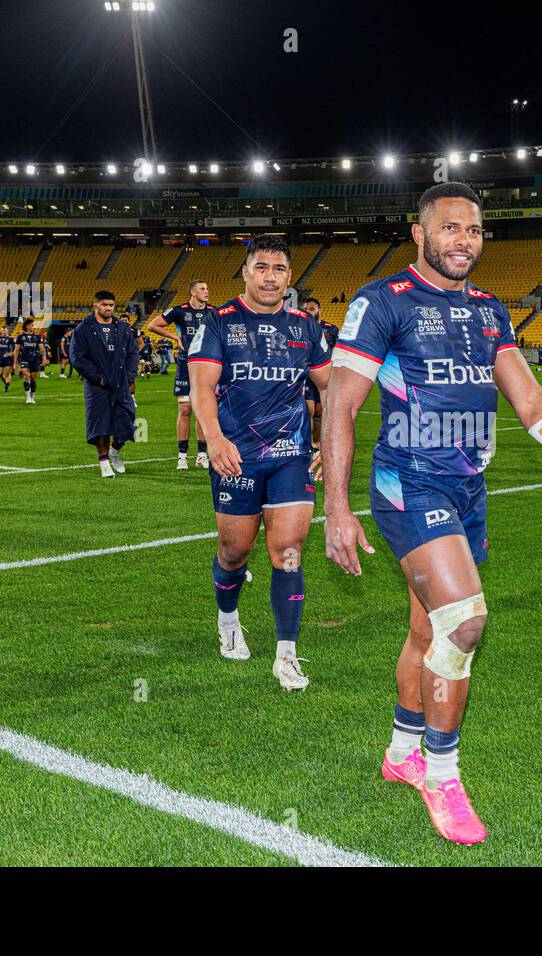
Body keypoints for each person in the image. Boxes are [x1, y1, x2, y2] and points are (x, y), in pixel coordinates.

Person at [322, 183, 542, 844]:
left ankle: (402, 752)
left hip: (466, 489)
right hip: (408, 482)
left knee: (427, 632)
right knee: (464, 623)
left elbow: (529, 395)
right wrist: (336, 508)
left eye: (475, 230)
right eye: (451, 228)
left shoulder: (490, 310)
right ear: (420, 233)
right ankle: (442, 773)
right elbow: (340, 403)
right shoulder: (382, 302)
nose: (464, 240)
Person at [188, 237, 331, 691]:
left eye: (279, 268)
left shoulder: (306, 326)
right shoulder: (218, 321)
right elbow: (201, 387)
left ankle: (286, 655)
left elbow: (332, 388)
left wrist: (329, 443)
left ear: (290, 278)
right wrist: (214, 439)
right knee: (235, 552)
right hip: (236, 457)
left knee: (288, 551)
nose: (270, 275)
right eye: (261, 266)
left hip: (291, 456)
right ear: (246, 273)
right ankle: (228, 618)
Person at [146, 280, 215, 470]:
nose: (206, 291)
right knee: (185, 409)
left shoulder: (214, 312)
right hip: (186, 364)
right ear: (192, 292)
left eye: (207, 288)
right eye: (202, 289)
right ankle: (182, 456)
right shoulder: (179, 310)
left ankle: (202, 455)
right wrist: (175, 337)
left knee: (203, 410)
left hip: (207, 365)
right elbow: (152, 325)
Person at [70, 290, 139, 477]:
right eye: (104, 305)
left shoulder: (123, 328)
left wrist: (129, 376)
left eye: (110, 305)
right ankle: (104, 461)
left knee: (126, 421)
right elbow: (78, 358)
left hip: (121, 383)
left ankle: (115, 451)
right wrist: (97, 377)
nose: (108, 308)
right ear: (95, 305)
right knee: (100, 424)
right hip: (97, 385)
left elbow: (133, 353)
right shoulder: (83, 329)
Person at [300, 296, 339, 454]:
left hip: (325, 376)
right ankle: (307, 444)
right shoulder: (300, 328)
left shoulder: (331, 329)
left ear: (318, 310)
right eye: (306, 309)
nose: (308, 311)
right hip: (308, 375)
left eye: (311, 308)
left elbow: (338, 352)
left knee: (320, 412)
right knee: (308, 410)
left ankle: (317, 443)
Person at [14, 317, 45, 404]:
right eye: (32, 325)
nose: (33, 326)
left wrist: (44, 358)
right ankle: (28, 398)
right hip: (24, 359)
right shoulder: (20, 337)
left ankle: (32, 397)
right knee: (26, 376)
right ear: (27, 326)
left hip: (35, 360)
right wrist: (15, 363)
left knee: (33, 378)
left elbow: (42, 349)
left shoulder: (37, 337)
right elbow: (16, 350)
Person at [0, 321, 17, 392]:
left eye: (5, 330)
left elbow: (16, 348)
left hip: (8, 358)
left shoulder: (11, 339)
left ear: (7, 331)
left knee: (8, 373)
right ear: (1, 331)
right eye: (2, 330)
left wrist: (11, 353)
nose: (3, 331)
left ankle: (6, 386)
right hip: (0, 357)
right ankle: (6, 383)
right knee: (0, 374)